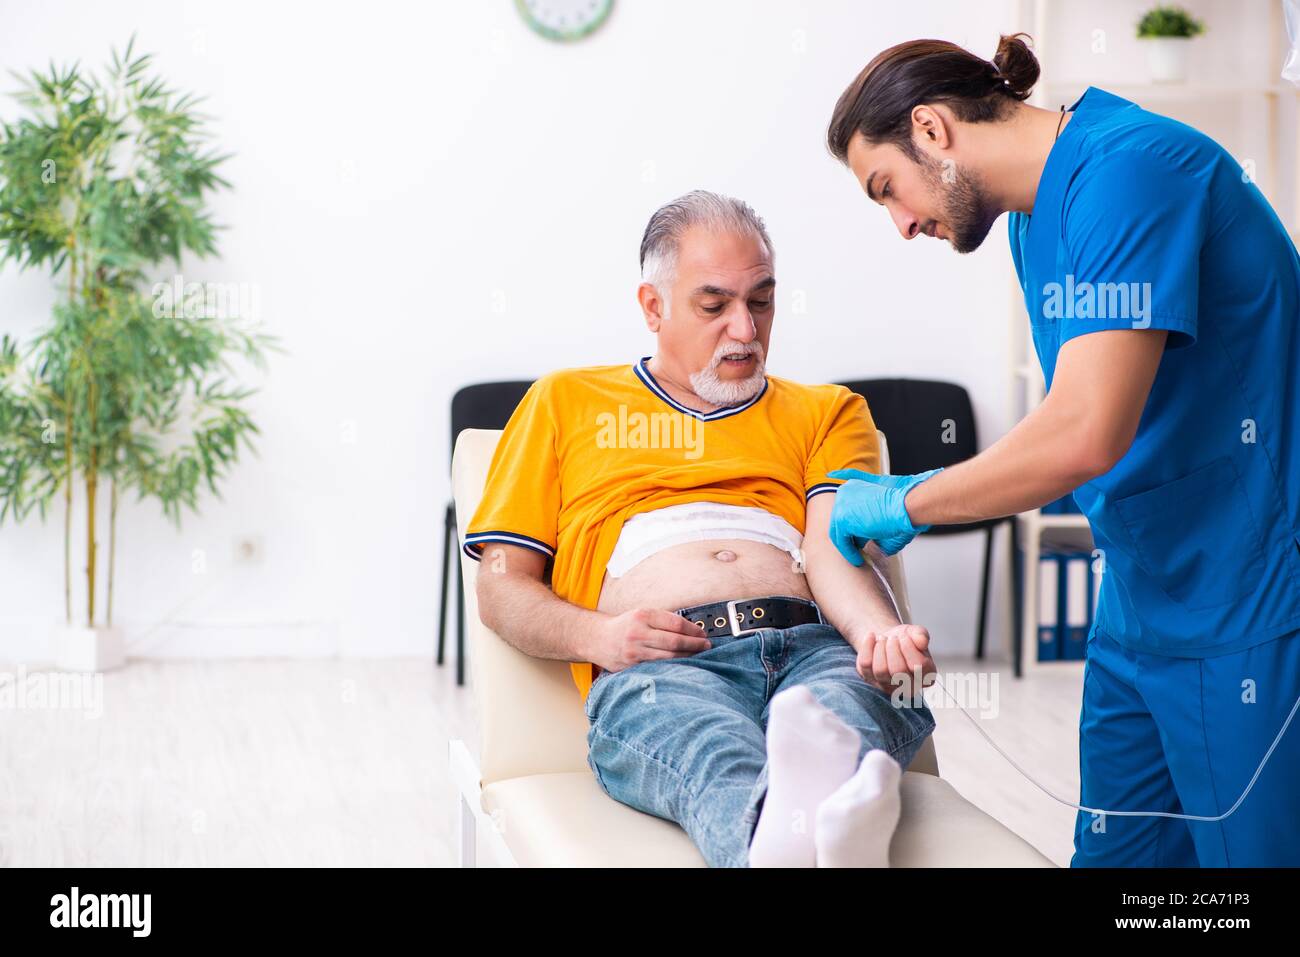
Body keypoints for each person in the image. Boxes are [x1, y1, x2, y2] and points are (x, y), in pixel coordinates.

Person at [824, 33, 1300, 866]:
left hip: (1248, 601)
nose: (900, 224)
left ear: (931, 129)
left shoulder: (1131, 171)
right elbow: (1078, 414)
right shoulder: (1031, 221)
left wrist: (907, 499)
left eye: (886, 188)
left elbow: (1084, 431)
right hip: (1140, 601)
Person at [466, 190, 936, 867]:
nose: (745, 329)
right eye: (714, 306)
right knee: (712, 752)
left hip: (817, 646)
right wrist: (599, 637)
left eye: (761, 301)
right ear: (653, 307)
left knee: (844, 711)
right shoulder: (563, 403)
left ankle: (793, 834)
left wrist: (877, 636)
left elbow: (832, 549)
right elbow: (501, 586)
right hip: (665, 667)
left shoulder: (830, 411)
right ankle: (805, 832)